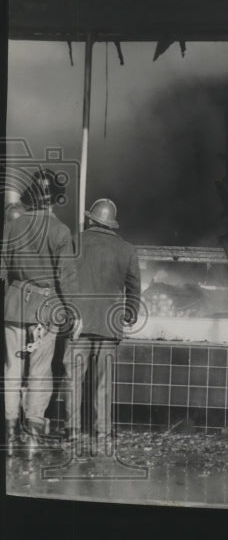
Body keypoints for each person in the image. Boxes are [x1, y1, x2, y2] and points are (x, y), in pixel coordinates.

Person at [2, 169, 80, 448]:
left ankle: (10, 432)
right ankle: (32, 436)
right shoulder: (60, 231)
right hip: (45, 311)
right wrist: (74, 311)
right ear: (55, 199)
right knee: (39, 372)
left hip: (12, 307)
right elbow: (67, 278)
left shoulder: (12, 226)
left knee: (11, 370)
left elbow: (3, 270)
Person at [62, 198, 141, 444]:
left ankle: (73, 430)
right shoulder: (127, 249)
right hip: (110, 323)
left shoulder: (76, 241)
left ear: (91, 219)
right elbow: (134, 286)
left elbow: (64, 277)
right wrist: (130, 312)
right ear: (111, 223)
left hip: (78, 322)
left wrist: (67, 310)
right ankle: (103, 431)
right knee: (103, 381)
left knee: (73, 378)